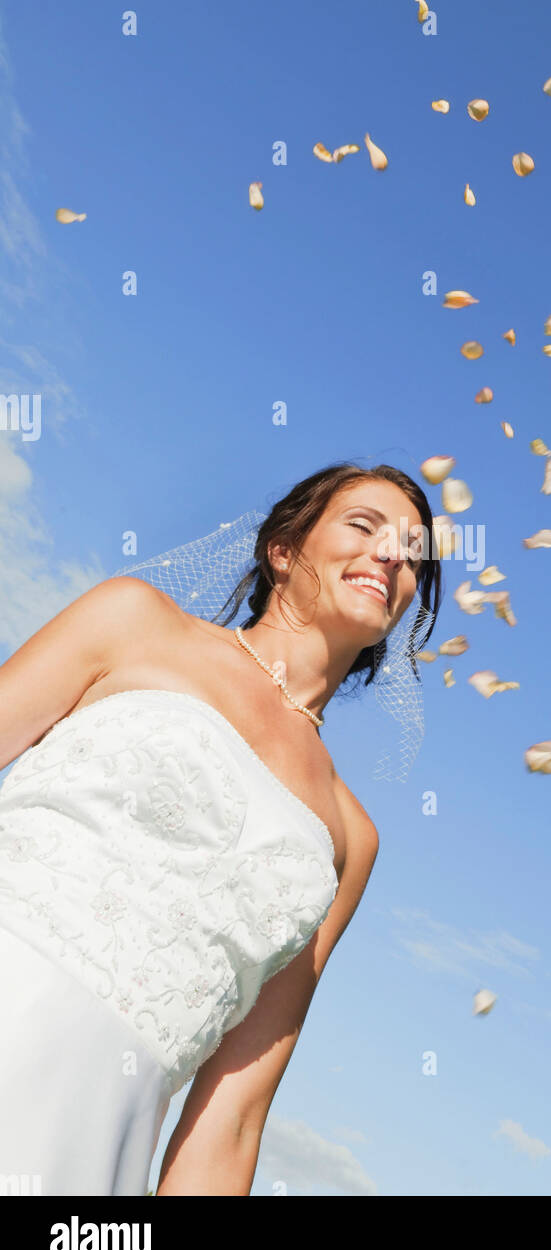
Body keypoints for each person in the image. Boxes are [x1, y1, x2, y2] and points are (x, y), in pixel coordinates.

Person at [0, 461, 442, 1196]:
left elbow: (233, 1113)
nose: (394, 555)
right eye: (363, 527)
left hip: (94, 1141)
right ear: (284, 550)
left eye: (412, 552)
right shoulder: (134, 622)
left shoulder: (346, 838)